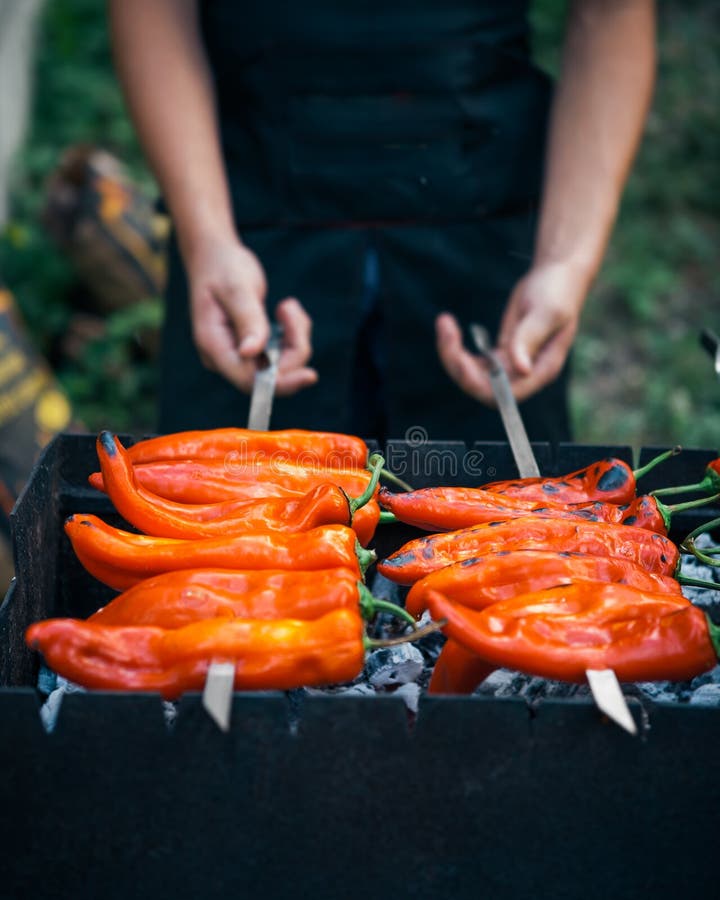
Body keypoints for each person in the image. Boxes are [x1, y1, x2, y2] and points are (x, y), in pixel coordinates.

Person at [107, 0, 656, 445]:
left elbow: (612, 11)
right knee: (216, 545)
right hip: (247, 224)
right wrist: (208, 238)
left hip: (484, 231)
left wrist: (566, 261)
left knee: (512, 528)